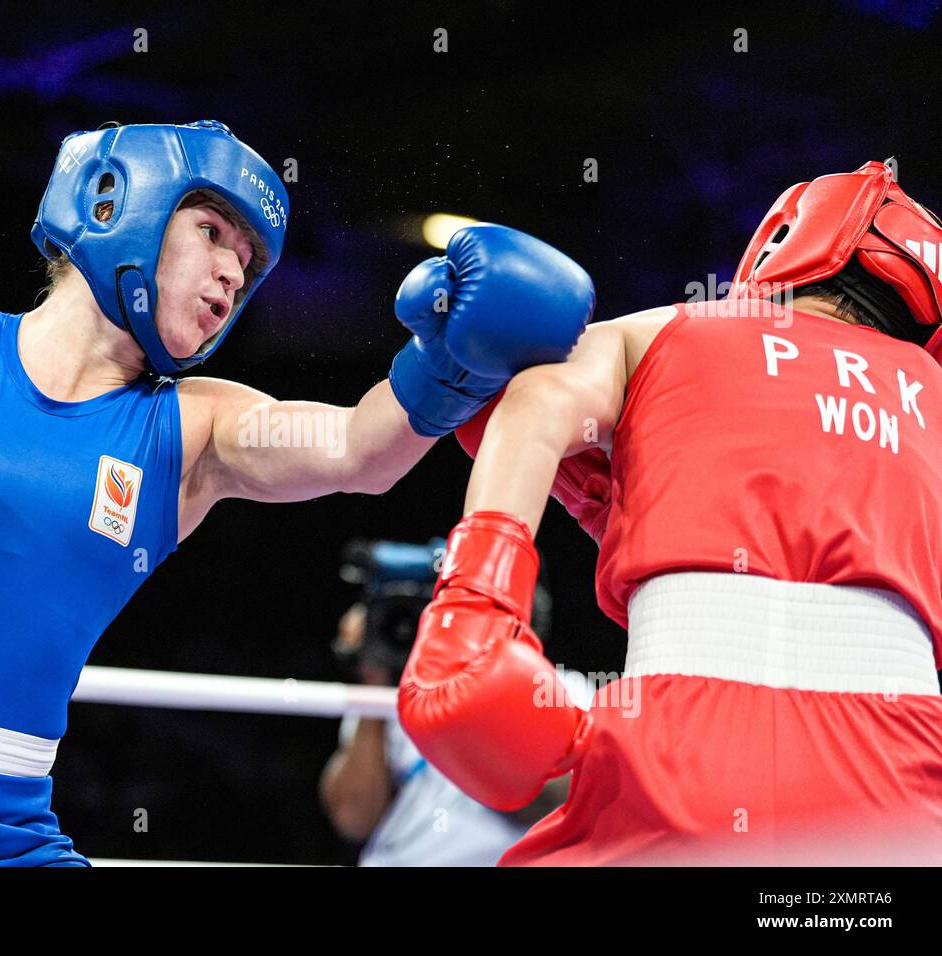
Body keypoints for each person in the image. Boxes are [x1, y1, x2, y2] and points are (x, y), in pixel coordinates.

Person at [0, 120, 595, 865]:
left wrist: (446, 362)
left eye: (250, 260)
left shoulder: (190, 427)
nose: (236, 274)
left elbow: (362, 449)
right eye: (213, 234)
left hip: (0, 830)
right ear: (117, 204)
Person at [398, 159, 942, 865]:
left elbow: (534, 402)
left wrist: (477, 602)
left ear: (780, 246)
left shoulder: (676, 328)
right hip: (906, 772)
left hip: (691, 744)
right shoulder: (931, 397)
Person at [319, 539, 583, 866]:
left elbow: (551, 802)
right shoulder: (398, 694)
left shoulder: (562, 688)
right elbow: (351, 818)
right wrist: (373, 674)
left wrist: (489, 690)